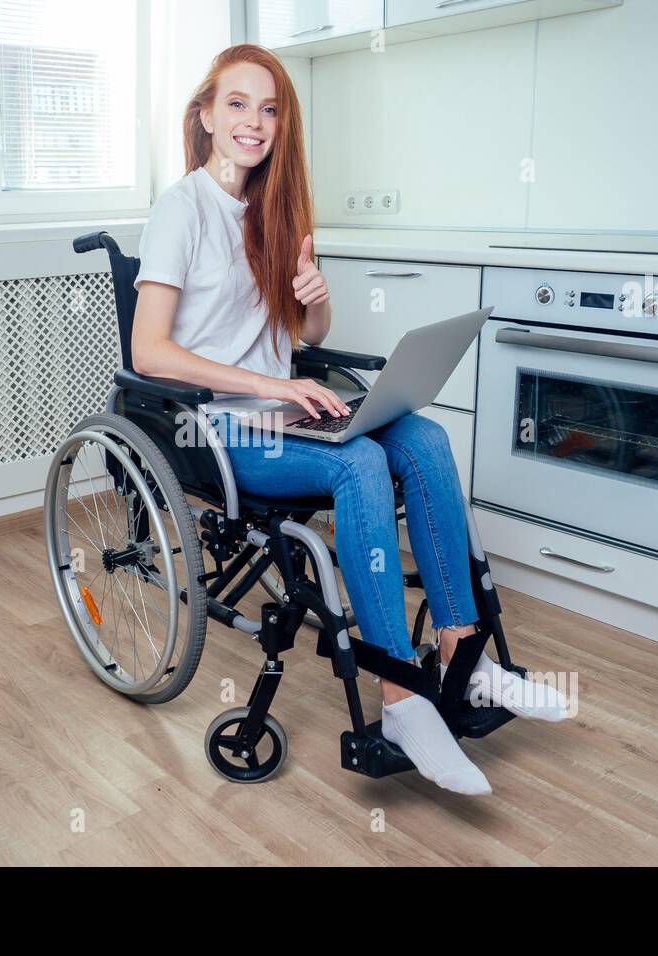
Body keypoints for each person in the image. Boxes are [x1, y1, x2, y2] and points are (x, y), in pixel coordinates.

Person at [131, 44, 568, 796]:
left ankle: (467, 659)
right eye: (237, 104)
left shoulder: (272, 210)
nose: (255, 122)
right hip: (219, 428)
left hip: (284, 411)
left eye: (269, 109)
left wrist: (315, 294)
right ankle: (401, 700)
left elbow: (307, 338)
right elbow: (149, 350)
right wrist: (269, 389)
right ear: (204, 116)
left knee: (424, 436)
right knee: (359, 463)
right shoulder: (181, 209)